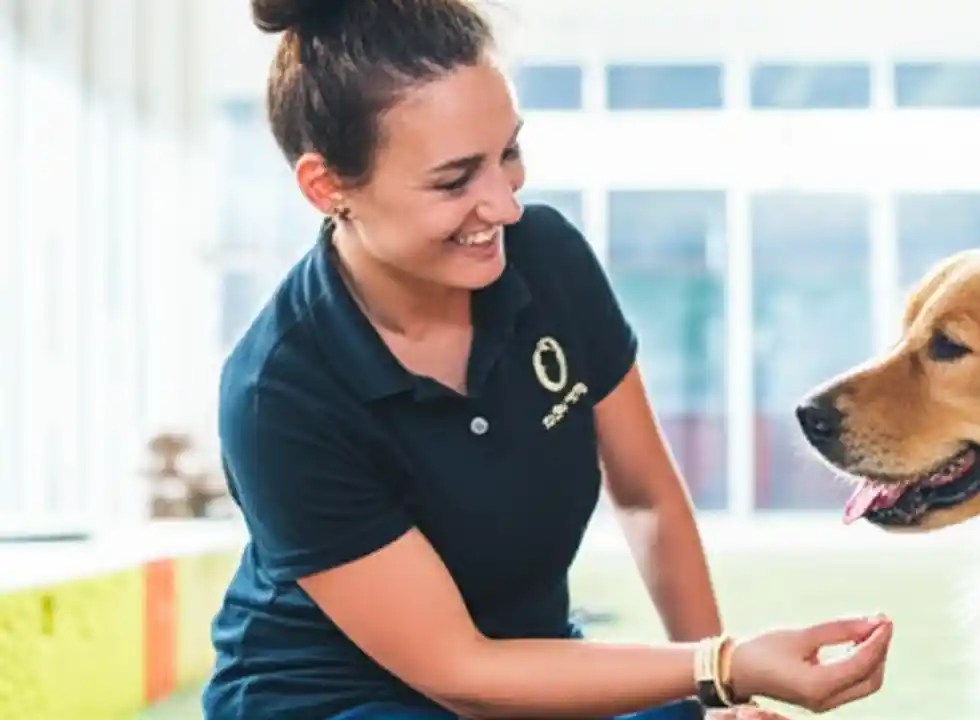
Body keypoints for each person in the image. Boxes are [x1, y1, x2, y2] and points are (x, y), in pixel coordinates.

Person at [201, 1, 895, 718]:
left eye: (508, 153)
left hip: (526, 673)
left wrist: (720, 701)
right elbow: (461, 674)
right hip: (343, 702)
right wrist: (720, 667)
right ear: (327, 187)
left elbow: (647, 498)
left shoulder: (546, 257)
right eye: (454, 179)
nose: (503, 204)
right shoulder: (277, 395)